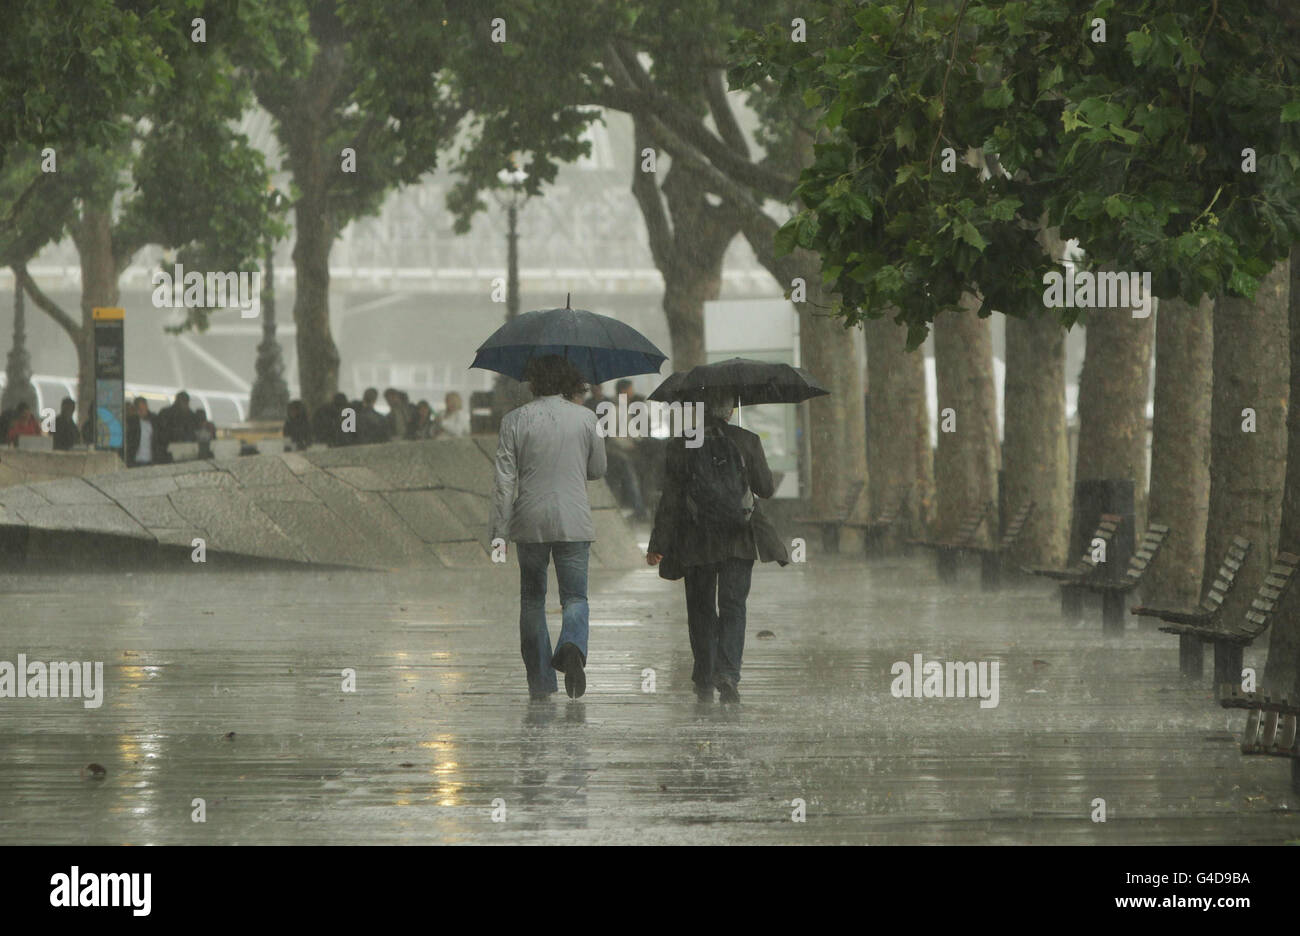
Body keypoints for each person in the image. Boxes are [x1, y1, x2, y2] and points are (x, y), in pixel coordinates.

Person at [647, 389, 789, 704]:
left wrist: (658, 544)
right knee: (733, 606)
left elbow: (669, 500)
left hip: (696, 540)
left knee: (700, 609)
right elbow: (764, 488)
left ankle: (704, 673)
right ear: (731, 410)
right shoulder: (747, 440)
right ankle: (728, 673)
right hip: (738, 538)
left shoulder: (681, 443)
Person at [491, 354, 606, 701]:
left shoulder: (514, 420)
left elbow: (503, 482)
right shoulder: (587, 419)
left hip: (529, 522)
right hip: (574, 519)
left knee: (532, 600)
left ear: (534, 382)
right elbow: (598, 468)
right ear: (569, 383)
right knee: (575, 596)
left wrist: (499, 532)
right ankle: (571, 644)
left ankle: (541, 680)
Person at [605, 379, 648, 520]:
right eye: (630, 389)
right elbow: (612, 435)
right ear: (623, 391)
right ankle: (638, 508)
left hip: (626, 451)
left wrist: (640, 441)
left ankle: (638, 506)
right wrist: (628, 444)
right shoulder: (614, 408)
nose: (632, 392)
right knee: (630, 476)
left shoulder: (624, 408)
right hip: (616, 453)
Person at [124, 397, 161, 467]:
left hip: (150, 460)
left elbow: (158, 440)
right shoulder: (132, 422)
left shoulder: (154, 421)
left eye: (144, 408)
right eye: (139, 409)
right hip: (135, 460)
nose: (142, 411)